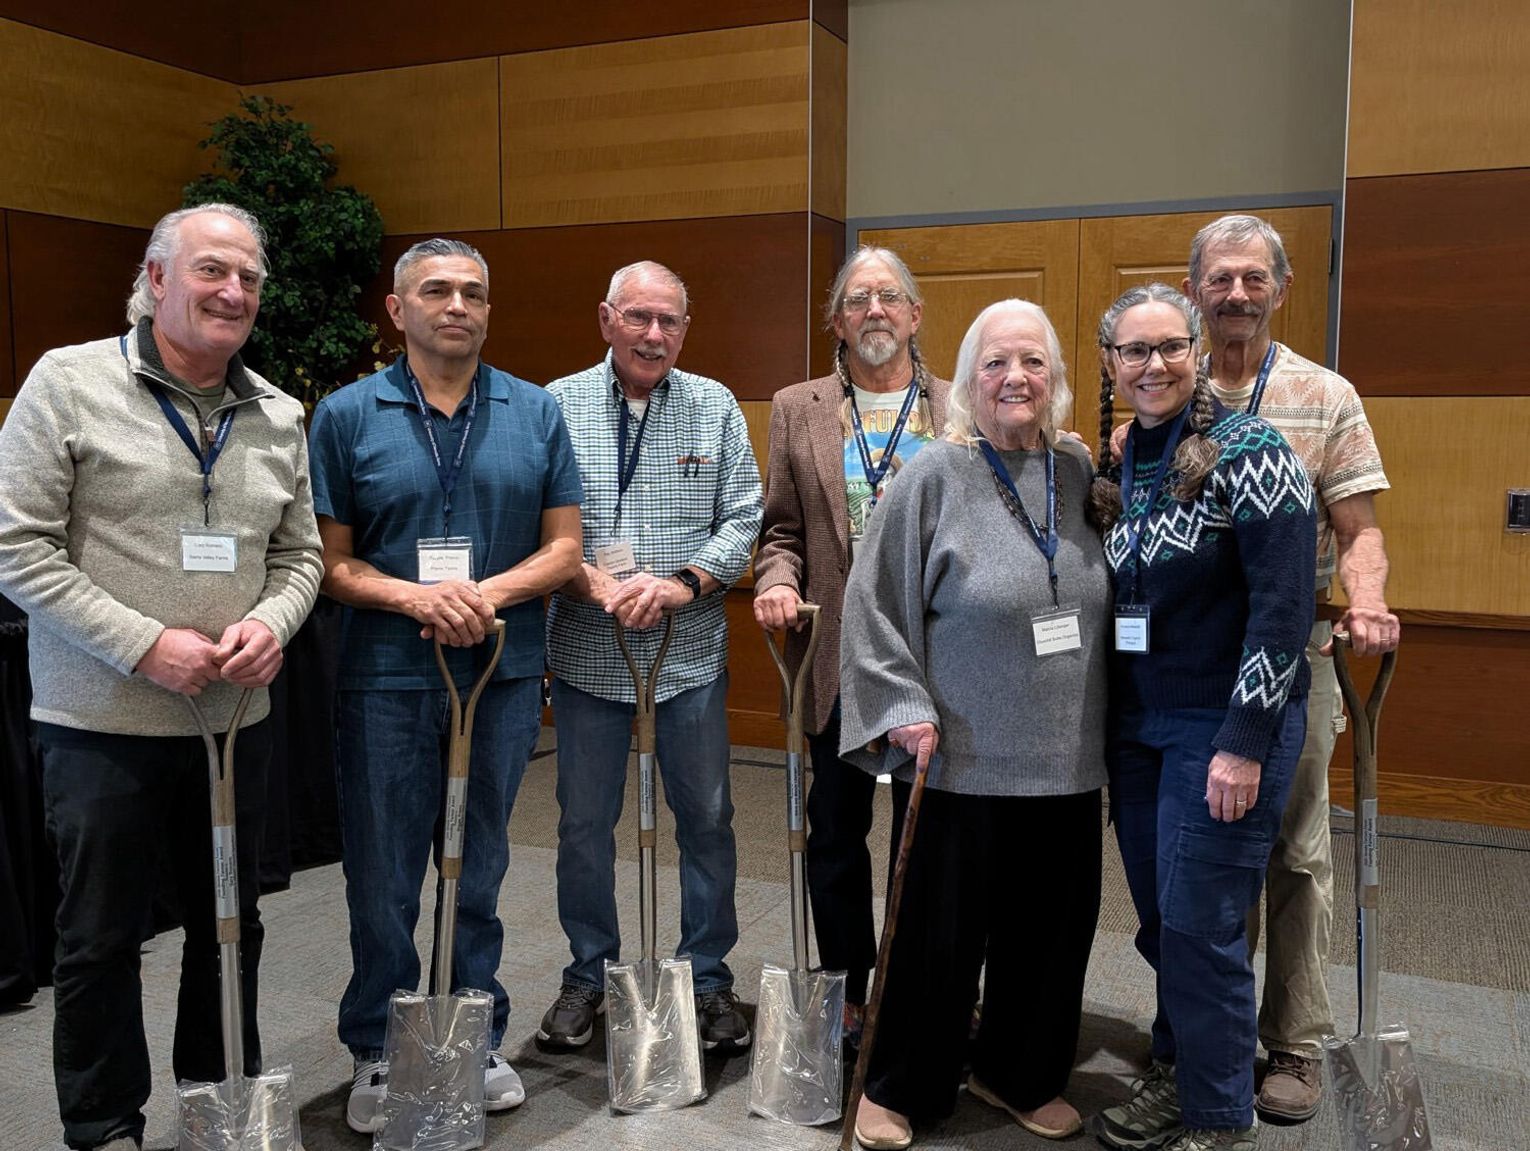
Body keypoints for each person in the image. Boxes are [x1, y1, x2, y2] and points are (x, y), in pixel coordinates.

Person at [0, 204, 323, 1151]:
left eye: (250, 279)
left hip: (233, 721)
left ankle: (218, 1100)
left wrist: (270, 623)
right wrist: (144, 643)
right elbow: (17, 547)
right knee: (99, 938)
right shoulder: (67, 382)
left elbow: (299, 554)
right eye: (214, 271)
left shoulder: (277, 412)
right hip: (102, 722)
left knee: (231, 923)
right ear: (155, 277)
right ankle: (104, 1124)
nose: (233, 292)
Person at [307, 238, 584, 1134]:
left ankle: (474, 1029)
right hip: (385, 678)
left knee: (481, 862)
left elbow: (565, 548)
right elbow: (329, 563)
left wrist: (481, 597)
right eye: (435, 290)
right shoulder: (348, 415)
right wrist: (418, 598)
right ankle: (379, 1046)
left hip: (498, 677)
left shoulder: (534, 412)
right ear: (398, 310)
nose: (456, 304)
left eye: (473, 291)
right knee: (384, 872)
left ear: (489, 310)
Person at [837, 299, 1110, 1149]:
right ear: (969, 377)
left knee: (1050, 935)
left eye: (1032, 362)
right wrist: (904, 705)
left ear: (1055, 378)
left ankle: (1016, 1071)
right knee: (935, 941)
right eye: (995, 363)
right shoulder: (933, 474)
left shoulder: (1076, 469)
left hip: (1066, 759)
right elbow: (872, 603)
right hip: (959, 756)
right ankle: (898, 1083)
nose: (1014, 378)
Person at [1088, 283, 1316, 1151]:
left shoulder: (1252, 448)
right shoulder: (1120, 466)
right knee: (1159, 919)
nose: (1153, 365)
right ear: (1110, 363)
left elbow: (1284, 608)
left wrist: (1245, 742)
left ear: (1197, 350)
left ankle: (1220, 1114)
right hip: (1141, 730)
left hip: (1223, 730)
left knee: (1200, 920)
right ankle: (1179, 1062)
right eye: (1133, 351)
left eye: (1170, 347)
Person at [1187, 215, 1398, 1121]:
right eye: (1220, 278)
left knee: (1296, 851)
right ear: (1195, 287)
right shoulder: (1160, 377)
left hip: (1291, 655)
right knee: (1197, 849)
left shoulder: (1325, 393)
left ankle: (1293, 1043)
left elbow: (1361, 529)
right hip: (1186, 661)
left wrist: (1368, 598)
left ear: (1280, 286)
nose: (1236, 293)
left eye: (1252, 278)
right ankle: (1207, 1024)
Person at [538, 260, 763, 1053]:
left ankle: (706, 976)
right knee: (582, 824)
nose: (654, 334)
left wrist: (681, 583)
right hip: (589, 653)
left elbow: (743, 516)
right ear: (606, 319)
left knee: (707, 818)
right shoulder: (555, 405)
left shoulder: (715, 406)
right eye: (638, 317)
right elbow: (537, 519)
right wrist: (589, 576)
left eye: (669, 320)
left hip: (688, 651)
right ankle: (587, 972)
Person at [752, 246, 949, 1046]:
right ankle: (850, 989)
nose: (875, 311)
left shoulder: (957, 404)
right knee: (834, 835)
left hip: (939, 658)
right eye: (858, 299)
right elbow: (783, 528)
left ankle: (916, 989)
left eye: (889, 297)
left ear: (914, 313)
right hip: (835, 654)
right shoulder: (798, 406)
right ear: (835, 319)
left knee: (929, 837)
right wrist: (773, 576)